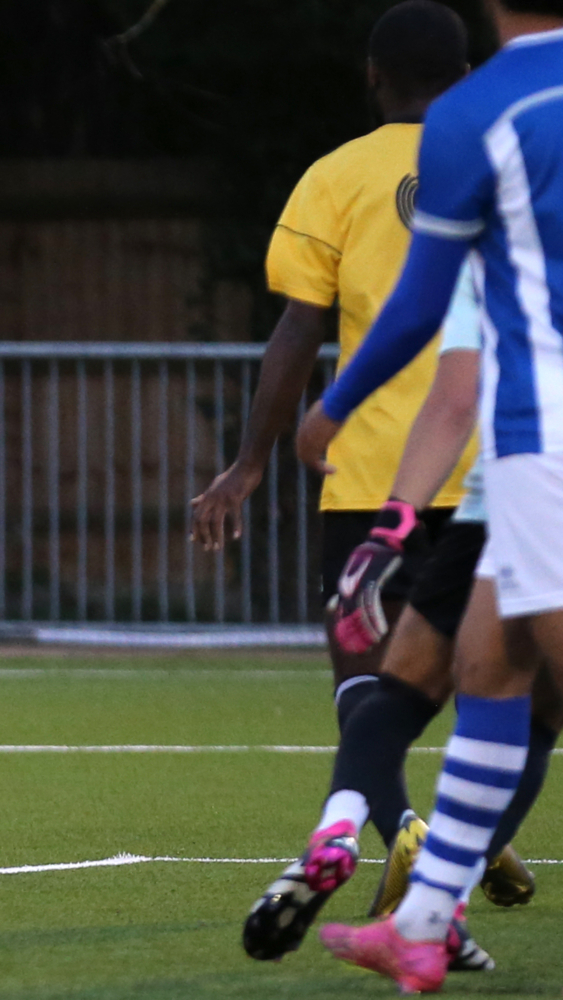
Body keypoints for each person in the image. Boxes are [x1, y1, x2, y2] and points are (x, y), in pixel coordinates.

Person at [295, 0, 563, 990]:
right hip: (506, 474)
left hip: (543, 441)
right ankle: (422, 920)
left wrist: (336, 405)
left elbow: (424, 309)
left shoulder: (478, 116)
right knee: (490, 671)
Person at [243, 265, 559, 970]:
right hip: (499, 496)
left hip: (512, 487)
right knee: (491, 689)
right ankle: (424, 918)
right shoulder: (502, 237)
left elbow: (446, 387)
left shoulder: (493, 250)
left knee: (417, 691)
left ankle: (346, 833)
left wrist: (386, 519)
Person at [191, 1, 476, 746]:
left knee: (361, 675)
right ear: (469, 76)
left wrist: (248, 466)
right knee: (495, 675)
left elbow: (298, 326)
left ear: (372, 76)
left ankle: (376, 822)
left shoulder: (335, 177)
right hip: (494, 465)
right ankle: (468, 830)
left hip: (371, 472)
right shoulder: (511, 166)